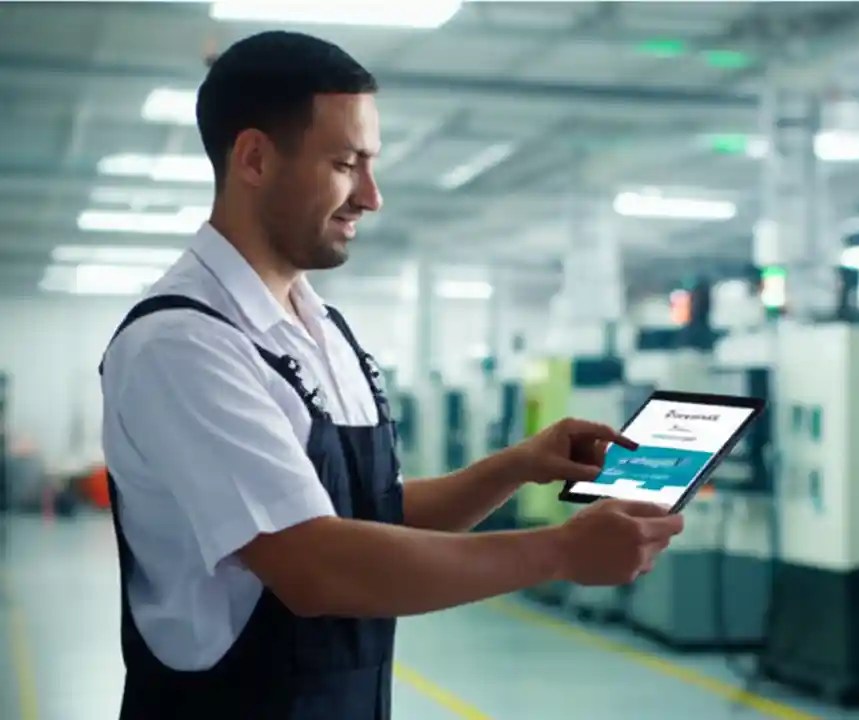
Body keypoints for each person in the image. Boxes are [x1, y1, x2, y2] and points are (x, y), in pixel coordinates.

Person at [99, 30, 684, 719]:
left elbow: (367, 514)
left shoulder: (325, 331)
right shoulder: (183, 344)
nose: (372, 197)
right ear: (254, 158)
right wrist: (559, 552)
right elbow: (317, 565)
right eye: (347, 163)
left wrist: (514, 467)